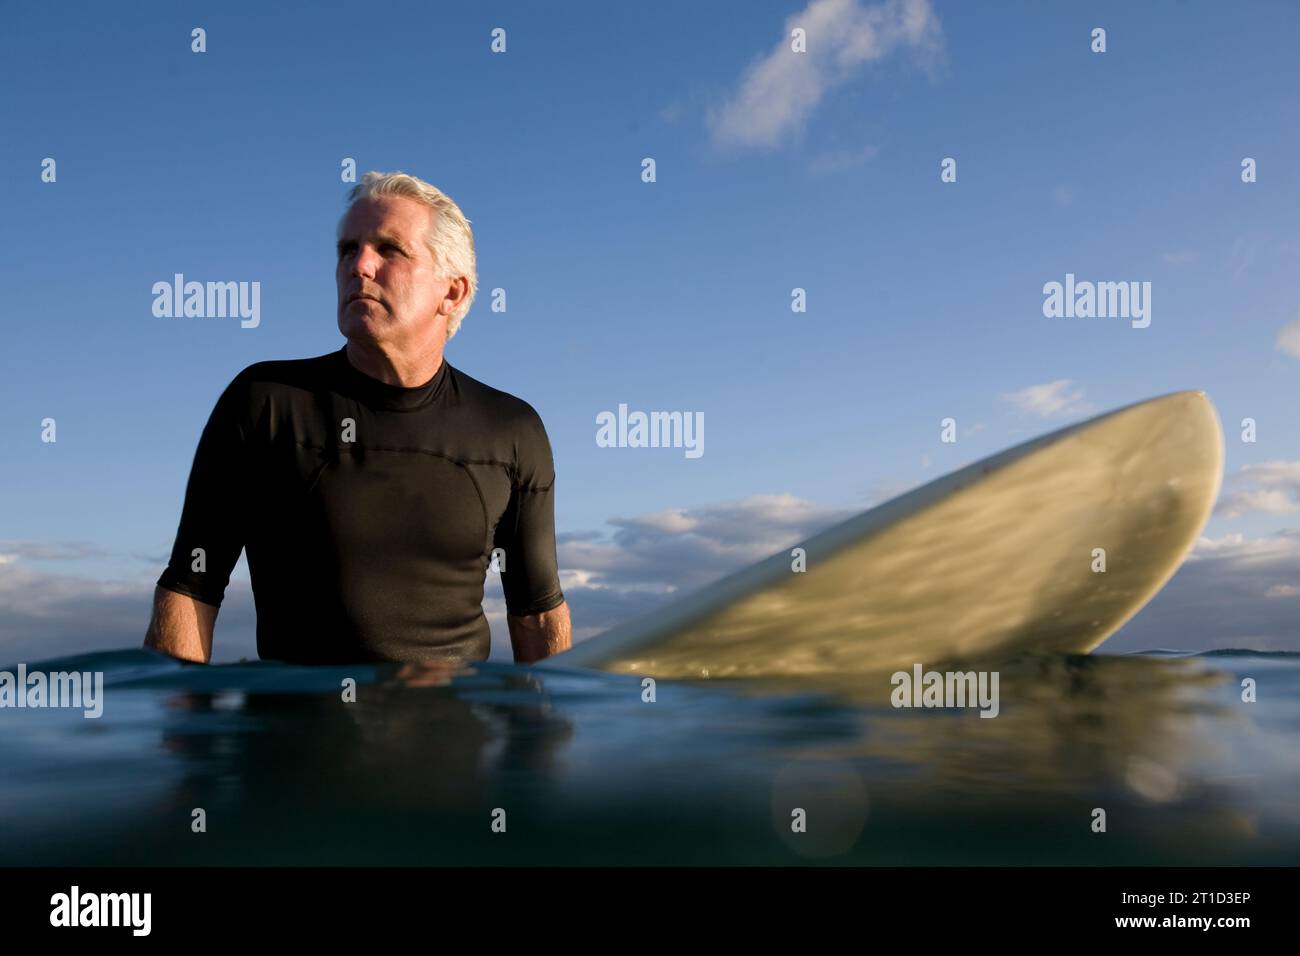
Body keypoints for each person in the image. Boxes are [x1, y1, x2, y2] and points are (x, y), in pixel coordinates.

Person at [144, 171, 571, 665]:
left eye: (389, 250)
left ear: (451, 293)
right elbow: (190, 588)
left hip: (453, 734)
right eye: (348, 249)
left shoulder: (510, 429)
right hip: (295, 734)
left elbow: (538, 613)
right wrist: (181, 733)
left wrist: (547, 738)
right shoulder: (266, 402)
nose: (360, 266)